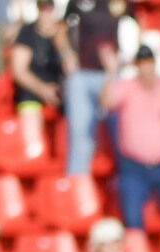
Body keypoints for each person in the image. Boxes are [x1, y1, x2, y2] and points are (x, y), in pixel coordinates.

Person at [103, 45, 160, 229]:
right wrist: (112, 72)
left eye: (149, 63)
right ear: (137, 66)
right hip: (134, 167)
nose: (146, 68)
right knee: (133, 221)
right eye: (142, 64)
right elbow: (106, 101)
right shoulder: (127, 87)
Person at [61, 0, 123, 177]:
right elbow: (61, 30)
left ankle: (124, 186)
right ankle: (77, 192)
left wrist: (125, 59)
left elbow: (136, 24)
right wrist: (67, 54)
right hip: (83, 74)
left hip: (112, 75)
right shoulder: (77, 3)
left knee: (121, 135)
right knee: (80, 137)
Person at [10, 1, 73, 164]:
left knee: (75, 97)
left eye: (49, 9)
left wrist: (62, 43)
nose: (46, 14)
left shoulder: (65, 32)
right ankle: (35, 153)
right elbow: (19, 70)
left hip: (60, 88)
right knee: (27, 99)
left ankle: (66, 153)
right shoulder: (27, 32)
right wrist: (43, 89)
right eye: (42, 9)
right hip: (33, 88)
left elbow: (73, 67)